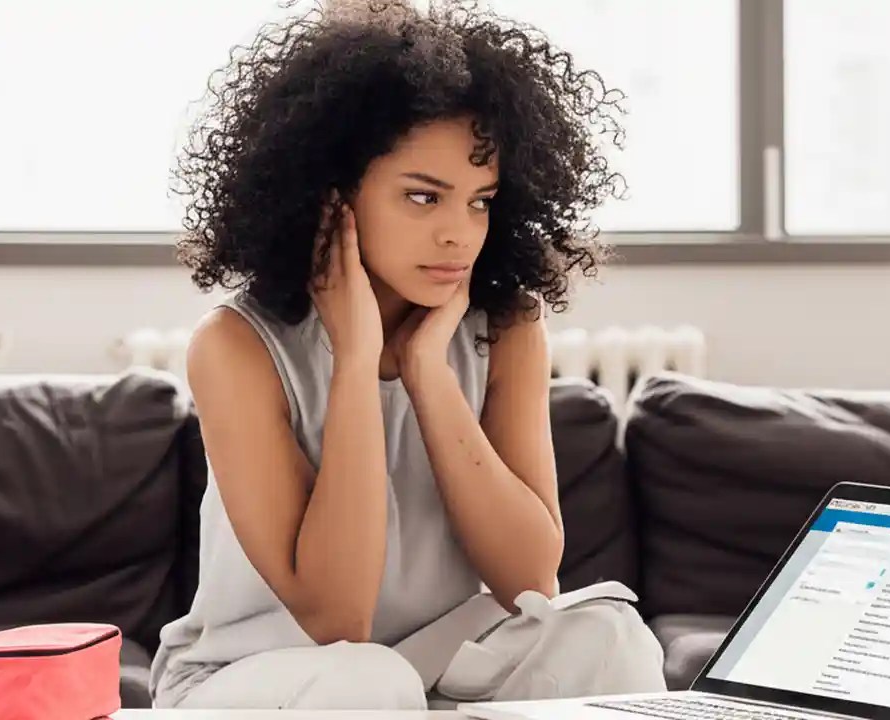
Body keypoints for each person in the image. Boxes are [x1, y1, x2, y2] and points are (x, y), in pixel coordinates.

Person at [149, 0, 665, 709]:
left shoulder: (505, 327)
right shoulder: (237, 345)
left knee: (609, 635)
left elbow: (528, 582)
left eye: (480, 202)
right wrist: (358, 361)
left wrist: (427, 371)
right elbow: (337, 618)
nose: (459, 234)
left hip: (431, 667)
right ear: (333, 200)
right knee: (367, 678)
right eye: (424, 198)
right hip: (256, 678)